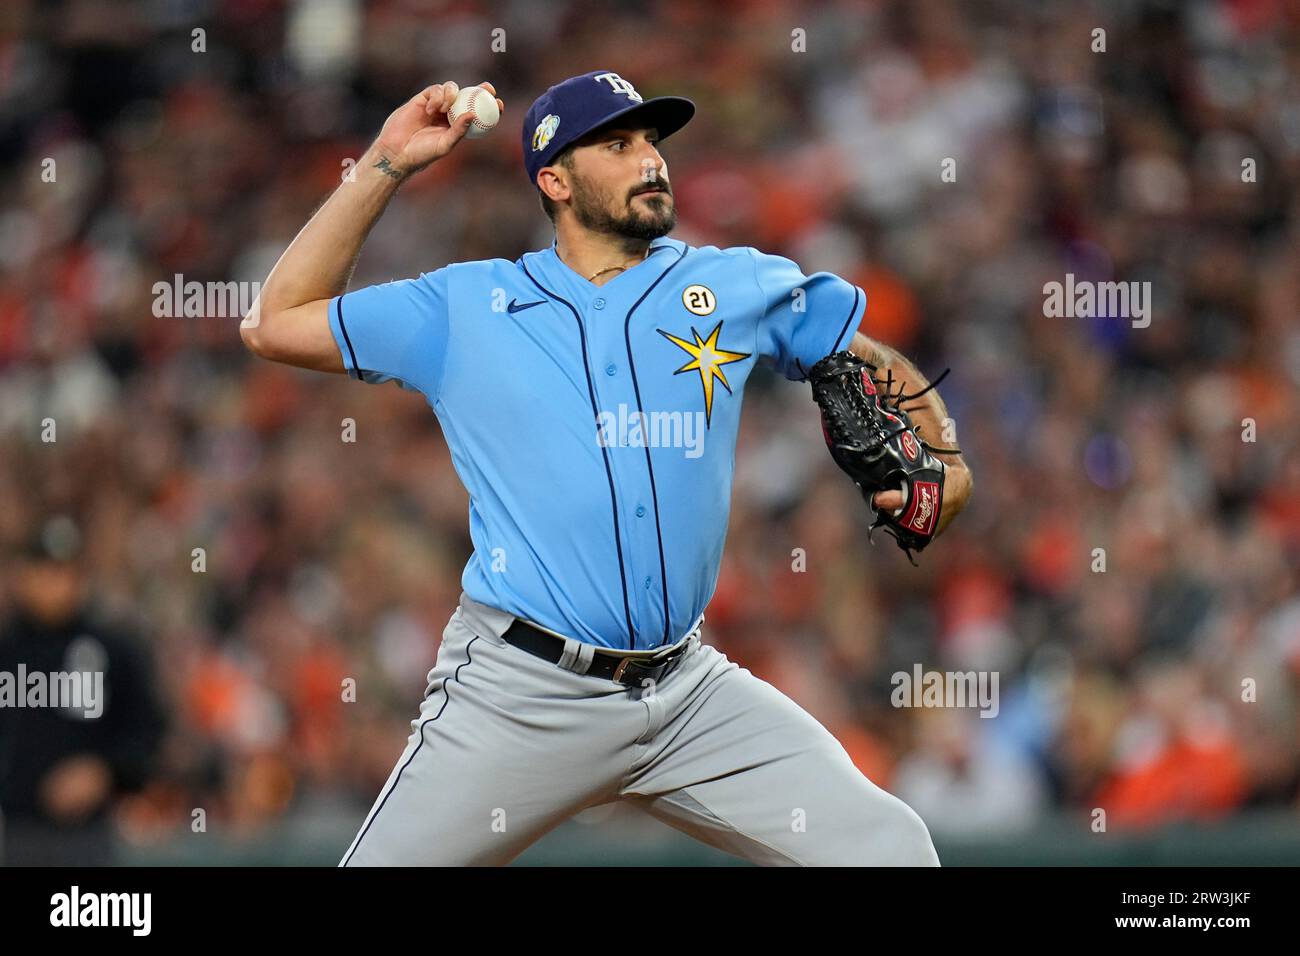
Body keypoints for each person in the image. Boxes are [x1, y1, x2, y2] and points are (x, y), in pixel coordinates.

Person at [241, 70, 973, 865]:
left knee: (890, 847)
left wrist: (951, 463)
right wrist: (385, 160)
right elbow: (276, 322)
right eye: (618, 145)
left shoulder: (730, 282)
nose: (650, 161)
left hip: (687, 691)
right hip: (519, 693)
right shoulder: (465, 308)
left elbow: (866, 358)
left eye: (653, 143)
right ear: (553, 180)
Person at [0, 516, 166, 865]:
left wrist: (105, 770)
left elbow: (148, 731)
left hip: (84, 836)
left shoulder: (112, 650)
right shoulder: (6, 650)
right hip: (11, 831)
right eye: (44, 570)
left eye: (65, 572)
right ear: (23, 575)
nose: (55, 583)